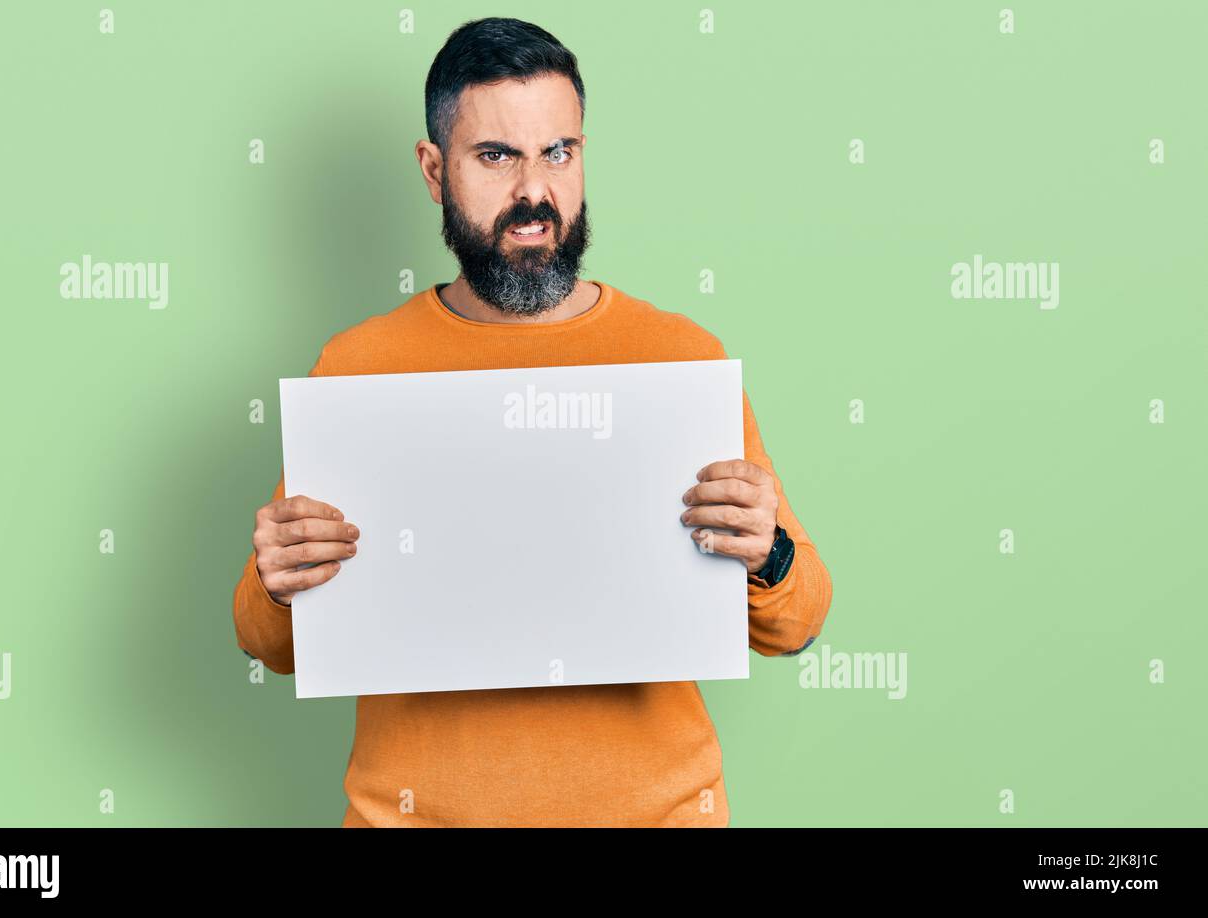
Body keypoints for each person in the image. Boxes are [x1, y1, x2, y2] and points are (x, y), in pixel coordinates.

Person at [232, 16, 832, 827]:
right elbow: (271, 641)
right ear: (434, 170)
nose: (535, 193)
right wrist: (276, 578)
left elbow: (796, 623)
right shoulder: (359, 367)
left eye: (559, 152)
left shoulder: (679, 359)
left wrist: (771, 552)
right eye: (496, 156)